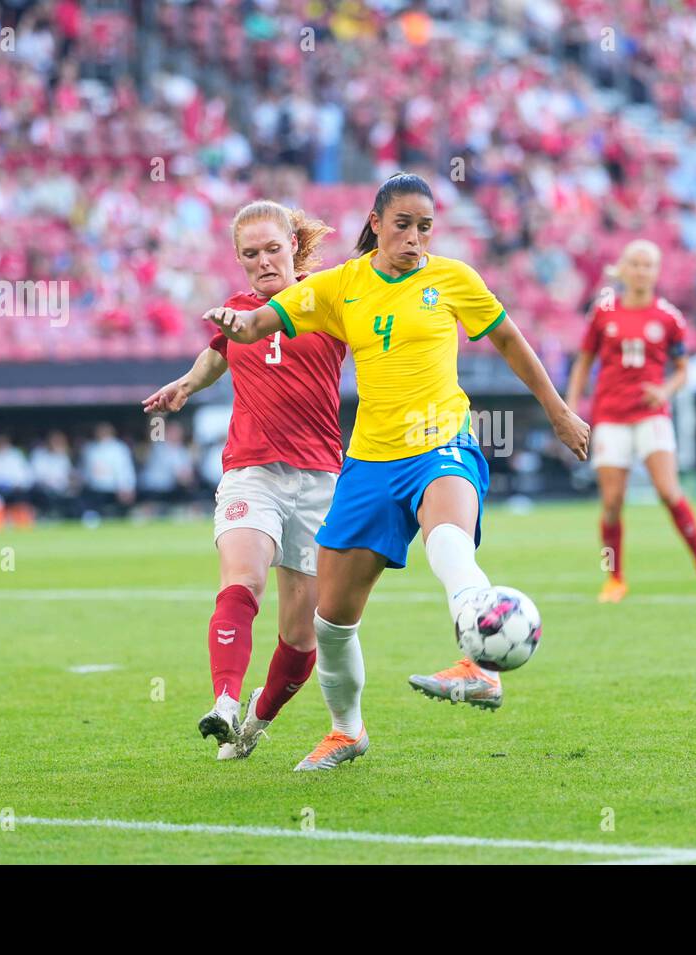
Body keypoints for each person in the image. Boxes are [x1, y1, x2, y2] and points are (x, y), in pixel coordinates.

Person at [204, 173, 589, 769]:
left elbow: (511, 341)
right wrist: (235, 326)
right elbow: (261, 323)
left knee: (448, 537)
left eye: (425, 227)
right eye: (403, 225)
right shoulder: (341, 286)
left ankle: (480, 665)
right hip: (367, 463)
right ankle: (346, 731)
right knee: (330, 621)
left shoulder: (453, 278)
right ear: (377, 224)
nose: (414, 238)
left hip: (442, 442)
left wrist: (559, 411)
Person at [143, 199, 346, 760]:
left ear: (294, 249)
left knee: (302, 638)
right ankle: (225, 703)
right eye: (250, 254)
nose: (262, 262)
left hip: (320, 481)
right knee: (242, 581)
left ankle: (254, 721)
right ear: (239, 259)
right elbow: (219, 354)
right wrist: (186, 383)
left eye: (272, 250)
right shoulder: (233, 310)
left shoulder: (328, 301)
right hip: (250, 471)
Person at [564, 239, 696, 604]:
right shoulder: (603, 312)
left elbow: (684, 370)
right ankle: (615, 579)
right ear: (623, 269)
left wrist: (665, 390)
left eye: (648, 265)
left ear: (656, 272)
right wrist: (572, 406)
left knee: (669, 491)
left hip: (651, 414)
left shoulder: (668, 317)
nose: (641, 271)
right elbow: (584, 361)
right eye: (635, 264)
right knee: (612, 501)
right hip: (610, 415)